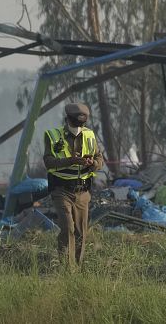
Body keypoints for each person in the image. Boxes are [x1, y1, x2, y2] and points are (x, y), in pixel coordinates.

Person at [43, 102, 104, 267]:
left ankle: (77, 267)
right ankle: (66, 268)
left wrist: (92, 164)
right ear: (68, 119)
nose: (79, 127)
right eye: (76, 124)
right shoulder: (53, 135)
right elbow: (48, 161)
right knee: (68, 228)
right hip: (61, 191)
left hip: (83, 192)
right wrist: (69, 161)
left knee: (80, 232)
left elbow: (100, 158)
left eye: (82, 124)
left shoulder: (90, 135)